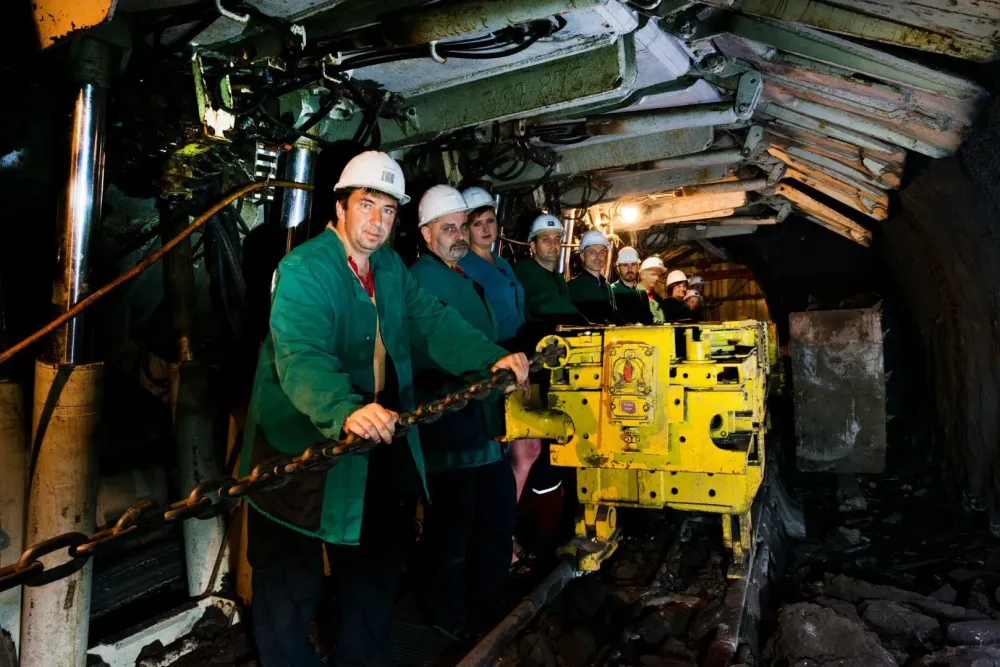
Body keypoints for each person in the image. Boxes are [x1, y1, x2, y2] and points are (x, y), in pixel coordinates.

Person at [239, 152, 529, 667]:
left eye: (389, 211)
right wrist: (343, 409)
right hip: (297, 455)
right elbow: (301, 356)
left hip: (368, 446)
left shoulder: (390, 269)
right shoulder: (305, 269)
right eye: (366, 206)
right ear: (341, 208)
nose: (377, 221)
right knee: (290, 588)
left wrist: (491, 359)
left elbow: (432, 323)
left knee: (372, 576)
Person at [409, 185, 518, 638]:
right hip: (449, 424)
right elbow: (434, 343)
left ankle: (485, 606)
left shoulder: (458, 275)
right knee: (454, 526)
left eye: (461, 227)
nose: (458, 236)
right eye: (448, 228)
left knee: (493, 516)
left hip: (481, 421)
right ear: (425, 233)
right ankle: (444, 614)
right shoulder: (422, 279)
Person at [458, 186, 540, 573]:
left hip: (521, 357)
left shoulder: (502, 263)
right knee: (517, 453)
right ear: (466, 228)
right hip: (495, 360)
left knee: (528, 451)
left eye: (490, 221)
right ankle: (500, 540)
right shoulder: (465, 267)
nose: (486, 229)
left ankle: (504, 534)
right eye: (478, 224)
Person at [512, 213, 588, 329]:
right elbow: (546, 304)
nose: (553, 245)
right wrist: (584, 323)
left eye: (557, 239)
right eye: (546, 239)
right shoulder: (526, 269)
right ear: (533, 246)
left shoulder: (558, 278)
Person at [568, 230, 618, 324]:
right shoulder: (573, 286)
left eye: (602, 252)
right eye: (592, 252)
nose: (598, 257)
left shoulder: (607, 286)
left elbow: (613, 316)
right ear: (582, 256)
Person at [611, 246, 654, 325]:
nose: (630, 269)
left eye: (633, 264)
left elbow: (648, 319)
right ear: (618, 268)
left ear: (638, 267)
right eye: (625, 265)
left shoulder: (642, 292)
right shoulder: (611, 291)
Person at [638, 256, 666, 324]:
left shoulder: (658, 299)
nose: (656, 278)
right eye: (653, 274)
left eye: (658, 275)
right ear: (642, 275)